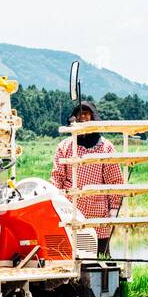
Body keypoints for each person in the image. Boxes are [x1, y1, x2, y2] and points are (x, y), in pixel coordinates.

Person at [51, 100, 125, 256]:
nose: (83, 118)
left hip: (99, 212)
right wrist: (56, 206)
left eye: (86, 114)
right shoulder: (65, 146)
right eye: (79, 115)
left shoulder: (106, 147)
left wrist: (113, 210)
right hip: (71, 211)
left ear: (93, 119)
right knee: (73, 256)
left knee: (101, 256)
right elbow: (57, 178)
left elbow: (115, 181)